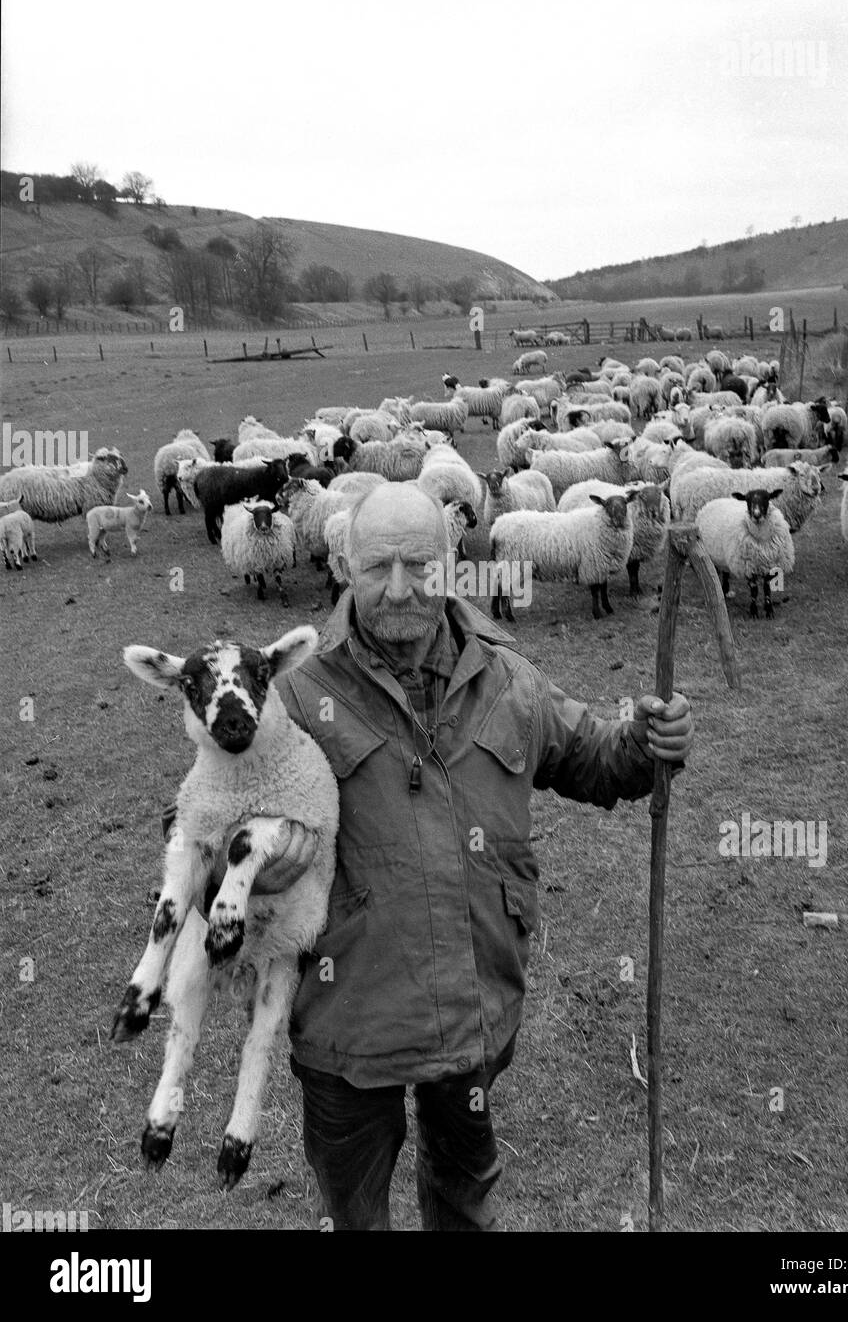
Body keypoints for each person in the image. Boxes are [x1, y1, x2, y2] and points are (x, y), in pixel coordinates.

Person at [200, 481, 694, 1230]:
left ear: (453, 560)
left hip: (471, 1010)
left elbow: (592, 759)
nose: (399, 588)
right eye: (376, 568)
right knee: (355, 1213)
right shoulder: (290, 693)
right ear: (342, 565)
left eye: (419, 565)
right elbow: (208, 857)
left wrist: (641, 742)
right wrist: (253, 871)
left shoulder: (504, 676)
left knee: (465, 1200)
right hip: (344, 1022)